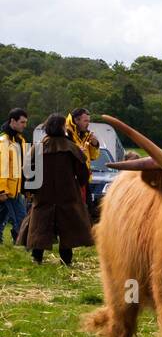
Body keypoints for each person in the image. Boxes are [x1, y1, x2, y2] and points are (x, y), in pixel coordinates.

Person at [17, 113, 94, 266]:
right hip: (67, 194)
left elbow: (26, 171)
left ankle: (36, 257)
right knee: (67, 226)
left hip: (43, 194)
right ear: (61, 127)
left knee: (40, 224)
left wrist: (28, 191)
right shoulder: (71, 147)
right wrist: (79, 184)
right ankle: (66, 260)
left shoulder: (38, 147)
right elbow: (83, 172)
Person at [0, 110, 30, 243]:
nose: (25, 125)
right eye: (22, 122)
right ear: (12, 121)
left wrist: (26, 186)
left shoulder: (21, 140)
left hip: (16, 188)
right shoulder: (4, 141)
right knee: (21, 217)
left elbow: (22, 166)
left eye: (25, 122)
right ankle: (25, 243)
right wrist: (2, 190)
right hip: (8, 189)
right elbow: (2, 168)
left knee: (3, 216)